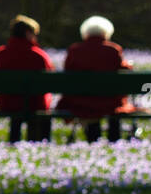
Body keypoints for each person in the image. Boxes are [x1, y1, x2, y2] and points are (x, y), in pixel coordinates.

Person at [56, 15, 137, 143]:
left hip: (81, 100)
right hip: (110, 101)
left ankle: (93, 139)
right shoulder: (113, 50)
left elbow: (68, 71)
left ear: (85, 33)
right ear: (106, 33)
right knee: (111, 103)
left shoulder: (75, 50)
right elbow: (124, 70)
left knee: (91, 104)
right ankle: (114, 139)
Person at [0, 14, 54, 143]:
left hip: (8, 103)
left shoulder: (1, 54)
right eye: (34, 33)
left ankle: (13, 142)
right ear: (27, 33)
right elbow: (48, 82)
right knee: (38, 110)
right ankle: (38, 143)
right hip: (35, 104)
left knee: (18, 108)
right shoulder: (38, 56)